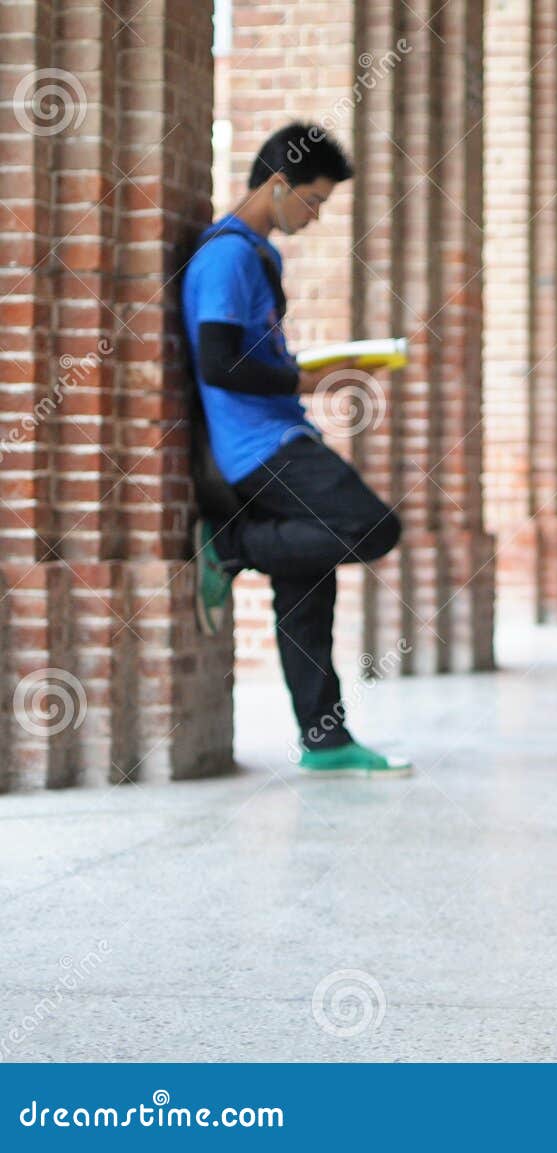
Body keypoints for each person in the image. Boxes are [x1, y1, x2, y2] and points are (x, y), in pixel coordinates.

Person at [183, 123, 409, 777]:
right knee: (371, 526)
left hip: (282, 429)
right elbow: (221, 364)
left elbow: (254, 354)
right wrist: (306, 379)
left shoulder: (262, 256)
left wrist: (320, 369)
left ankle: (326, 738)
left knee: (309, 590)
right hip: (259, 445)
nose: (315, 216)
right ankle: (228, 547)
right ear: (277, 185)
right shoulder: (225, 257)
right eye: (312, 200)